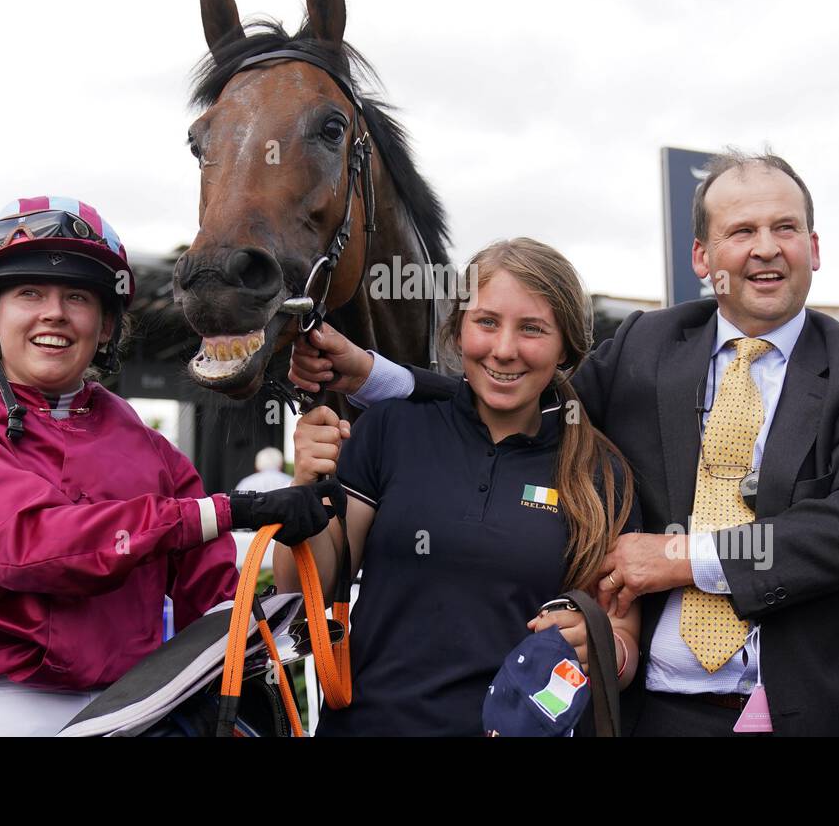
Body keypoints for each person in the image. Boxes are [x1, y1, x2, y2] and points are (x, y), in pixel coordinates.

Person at [292, 151, 839, 736]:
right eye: (741, 232)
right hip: (653, 716)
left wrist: (684, 558)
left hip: (813, 717)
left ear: (813, 247)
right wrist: (374, 373)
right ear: (703, 259)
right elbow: (520, 388)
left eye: (784, 229)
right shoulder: (646, 346)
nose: (765, 249)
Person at [0, 196, 336, 736]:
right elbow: (28, 546)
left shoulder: (150, 450)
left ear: (104, 328)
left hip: (134, 707)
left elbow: (217, 606)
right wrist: (224, 511)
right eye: (29, 293)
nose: (54, 312)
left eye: (77, 296)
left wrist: (305, 492)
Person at [273, 238, 643, 736]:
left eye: (532, 329)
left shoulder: (601, 471)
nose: (504, 349)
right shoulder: (391, 428)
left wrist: (598, 647)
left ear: (566, 348)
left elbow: (622, 646)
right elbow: (300, 592)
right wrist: (305, 491)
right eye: (486, 322)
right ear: (458, 329)